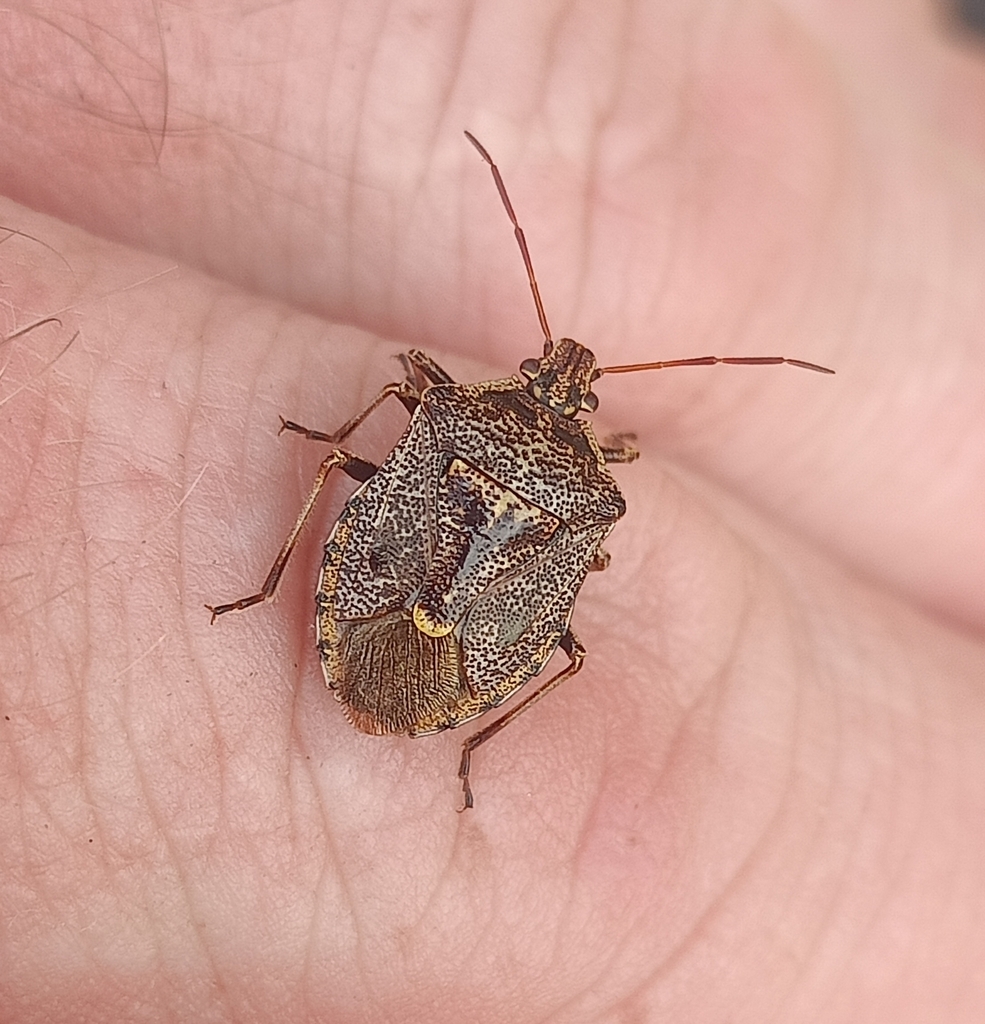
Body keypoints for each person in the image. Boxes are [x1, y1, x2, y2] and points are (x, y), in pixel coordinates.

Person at [2, 2, 984, 1020]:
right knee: (572, 652)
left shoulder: (454, 415)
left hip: (390, 558)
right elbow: (580, 551)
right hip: (482, 645)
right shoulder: (592, 499)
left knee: (363, 430)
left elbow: (393, 399)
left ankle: (265, 594)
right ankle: (466, 742)